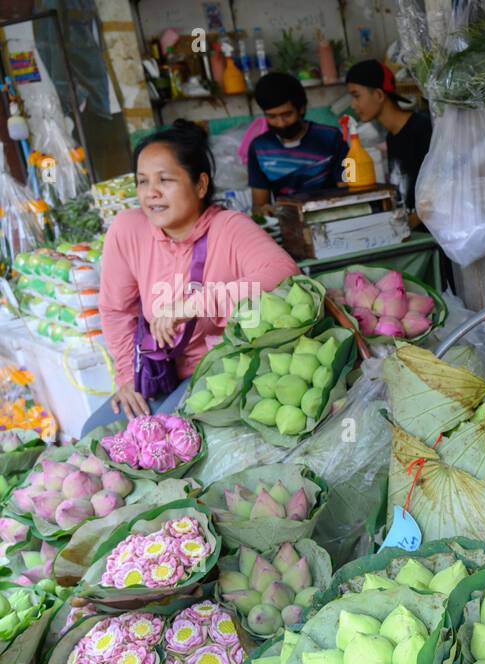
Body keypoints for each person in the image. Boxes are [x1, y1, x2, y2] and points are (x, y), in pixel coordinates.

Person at [86, 120, 298, 432]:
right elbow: (117, 310)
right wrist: (127, 377)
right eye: (142, 182)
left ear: (200, 185)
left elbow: (283, 274)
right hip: (159, 371)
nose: (152, 193)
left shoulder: (230, 227)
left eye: (165, 180)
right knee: (94, 432)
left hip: (222, 368)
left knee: (164, 436)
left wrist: (193, 305)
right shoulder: (127, 229)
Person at [248, 73, 348, 216]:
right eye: (272, 116)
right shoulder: (259, 148)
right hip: (289, 226)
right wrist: (263, 211)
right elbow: (259, 205)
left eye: (287, 114)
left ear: (301, 108)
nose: (281, 123)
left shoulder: (331, 138)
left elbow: (349, 190)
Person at [345, 59, 432, 211]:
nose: (353, 105)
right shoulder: (392, 137)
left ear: (379, 94)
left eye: (356, 95)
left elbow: (435, 193)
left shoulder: (421, 129)